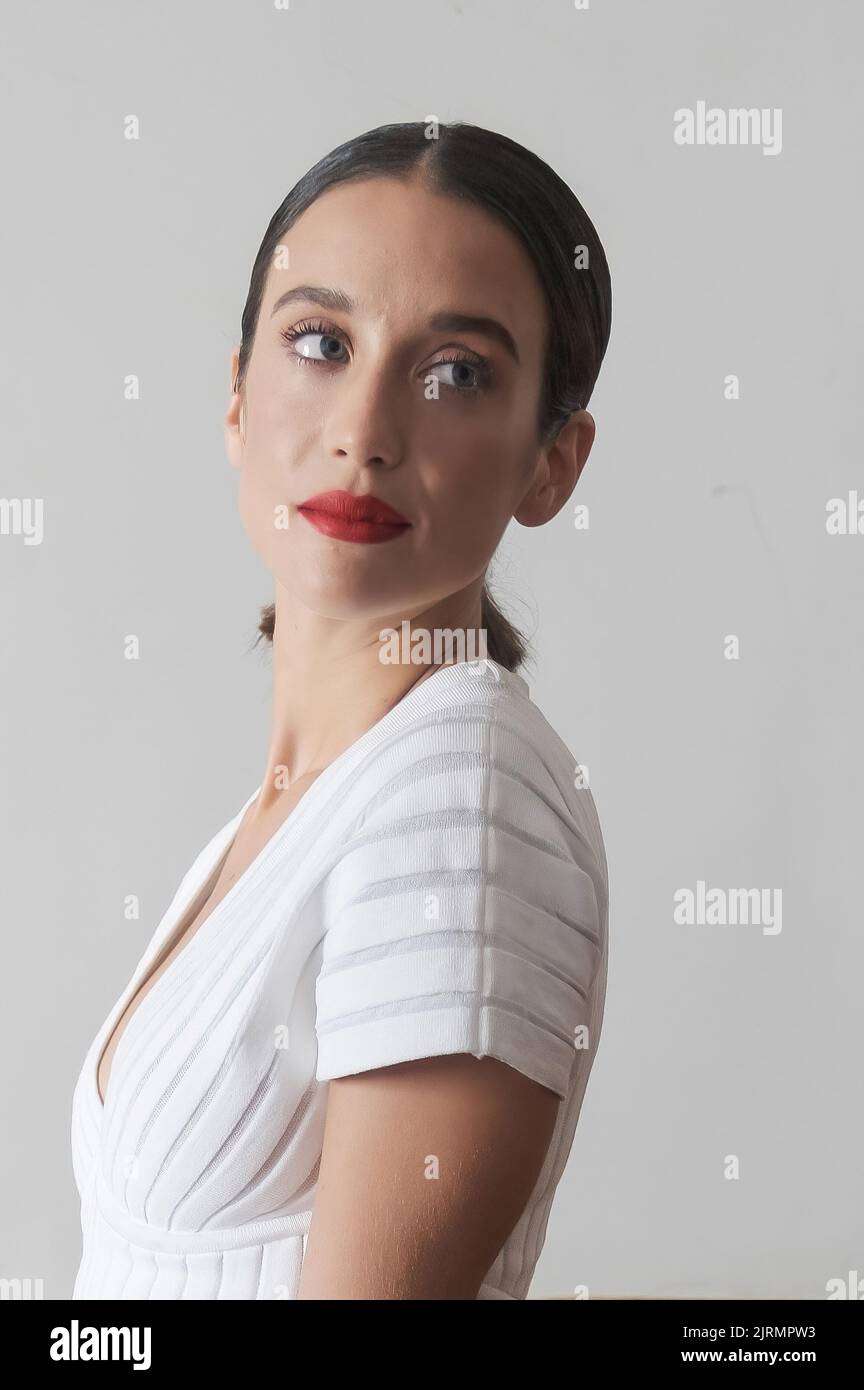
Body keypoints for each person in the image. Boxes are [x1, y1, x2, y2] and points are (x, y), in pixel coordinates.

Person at [70, 119, 612, 1300]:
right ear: (236, 393)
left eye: (455, 372)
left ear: (548, 464)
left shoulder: (459, 799)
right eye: (319, 340)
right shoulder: (301, 807)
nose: (364, 429)